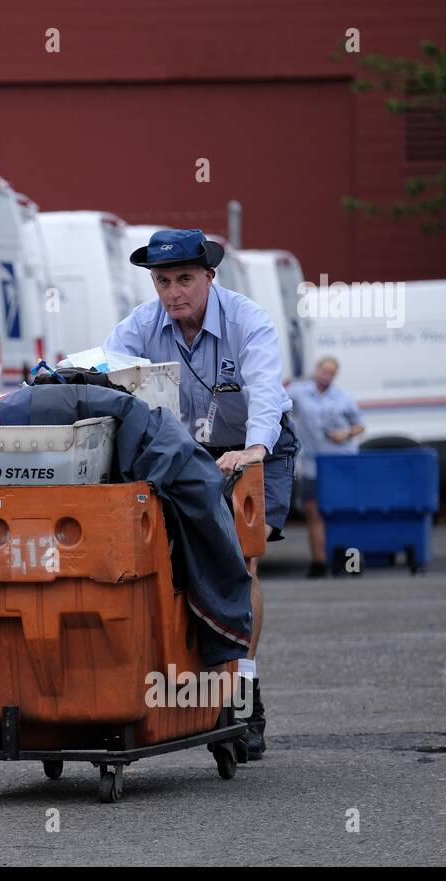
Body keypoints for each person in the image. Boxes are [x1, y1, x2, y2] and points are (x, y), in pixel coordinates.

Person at [103, 228, 297, 760]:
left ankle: (242, 696)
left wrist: (255, 448)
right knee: (176, 563)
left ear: (210, 277)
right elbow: (108, 379)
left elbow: (265, 390)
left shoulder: (247, 320)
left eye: (184, 279)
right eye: (162, 281)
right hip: (184, 453)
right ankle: (182, 688)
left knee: (242, 562)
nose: (173, 293)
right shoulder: (140, 326)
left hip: (255, 445)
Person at [286, 357, 365, 577]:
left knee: (343, 512)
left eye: (331, 372)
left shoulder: (342, 397)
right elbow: (278, 399)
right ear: (316, 369)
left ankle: (352, 562)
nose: (325, 375)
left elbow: (360, 425)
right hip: (312, 463)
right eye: (323, 369)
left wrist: (346, 433)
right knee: (312, 511)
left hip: (340, 461)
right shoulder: (300, 392)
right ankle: (319, 562)